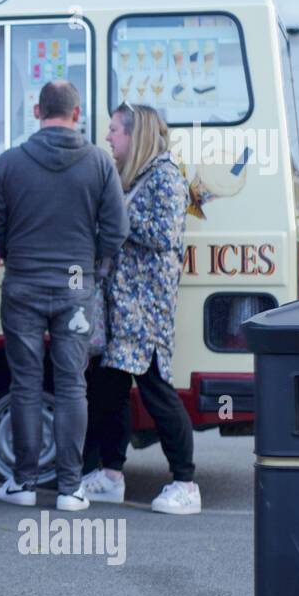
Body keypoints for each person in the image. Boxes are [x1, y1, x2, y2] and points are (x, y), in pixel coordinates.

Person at [0, 80, 127, 511]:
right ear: (77, 113)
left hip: (23, 282)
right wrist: (90, 261)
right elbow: (117, 232)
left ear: (37, 110)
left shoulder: (9, 164)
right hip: (75, 285)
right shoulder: (100, 164)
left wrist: (13, 254)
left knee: (25, 383)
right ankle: (70, 488)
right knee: (71, 385)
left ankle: (23, 483)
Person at [82, 104, 200, 514]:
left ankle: (185, 482)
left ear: (137, 135)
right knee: (109, 388)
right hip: (122, 307)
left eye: (115, 130)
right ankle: (111, 474)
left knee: (156, 390)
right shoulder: (138, 176)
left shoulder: (165, 176)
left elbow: (163, 233)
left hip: (146, 309)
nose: (109, 137)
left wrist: (117, 216)